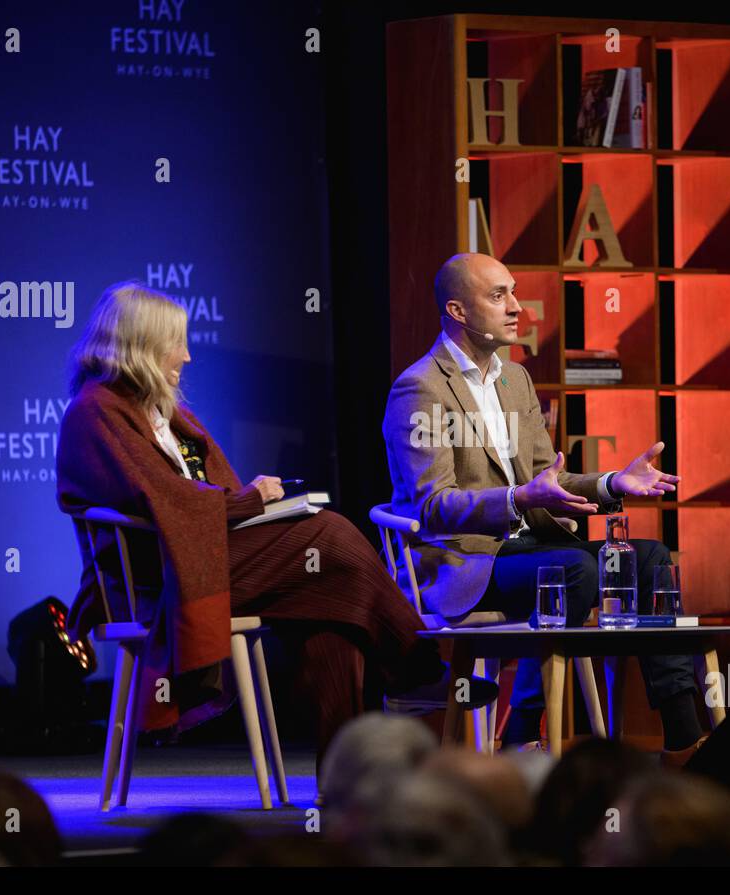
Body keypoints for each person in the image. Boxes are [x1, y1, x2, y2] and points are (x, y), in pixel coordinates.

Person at [56, 280, 492, 773]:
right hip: (159, 578)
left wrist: (251, 506)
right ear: (140, 349)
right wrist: (246, 502)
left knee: (333, 606)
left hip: (206, 555)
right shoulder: (95, 412)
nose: (187, 356)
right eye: (175, 344)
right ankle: (420, 669)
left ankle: (343, 777)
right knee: (326, 535)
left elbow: (190, 498)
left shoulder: (164, 411)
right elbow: (164, 500)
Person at [382, 253, 708, 764]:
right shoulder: (420, 387)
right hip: (464, 560)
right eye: (498, 296)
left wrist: (611, 482)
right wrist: (516, 499)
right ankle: (521, 734)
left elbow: (547, 479)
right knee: (572, 568)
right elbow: (432, 505)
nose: (516, 308)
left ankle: (684, 741)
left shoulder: (515, 380)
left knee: (646, 557)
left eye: (513, 292)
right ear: (458, 311)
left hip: (528, 548)